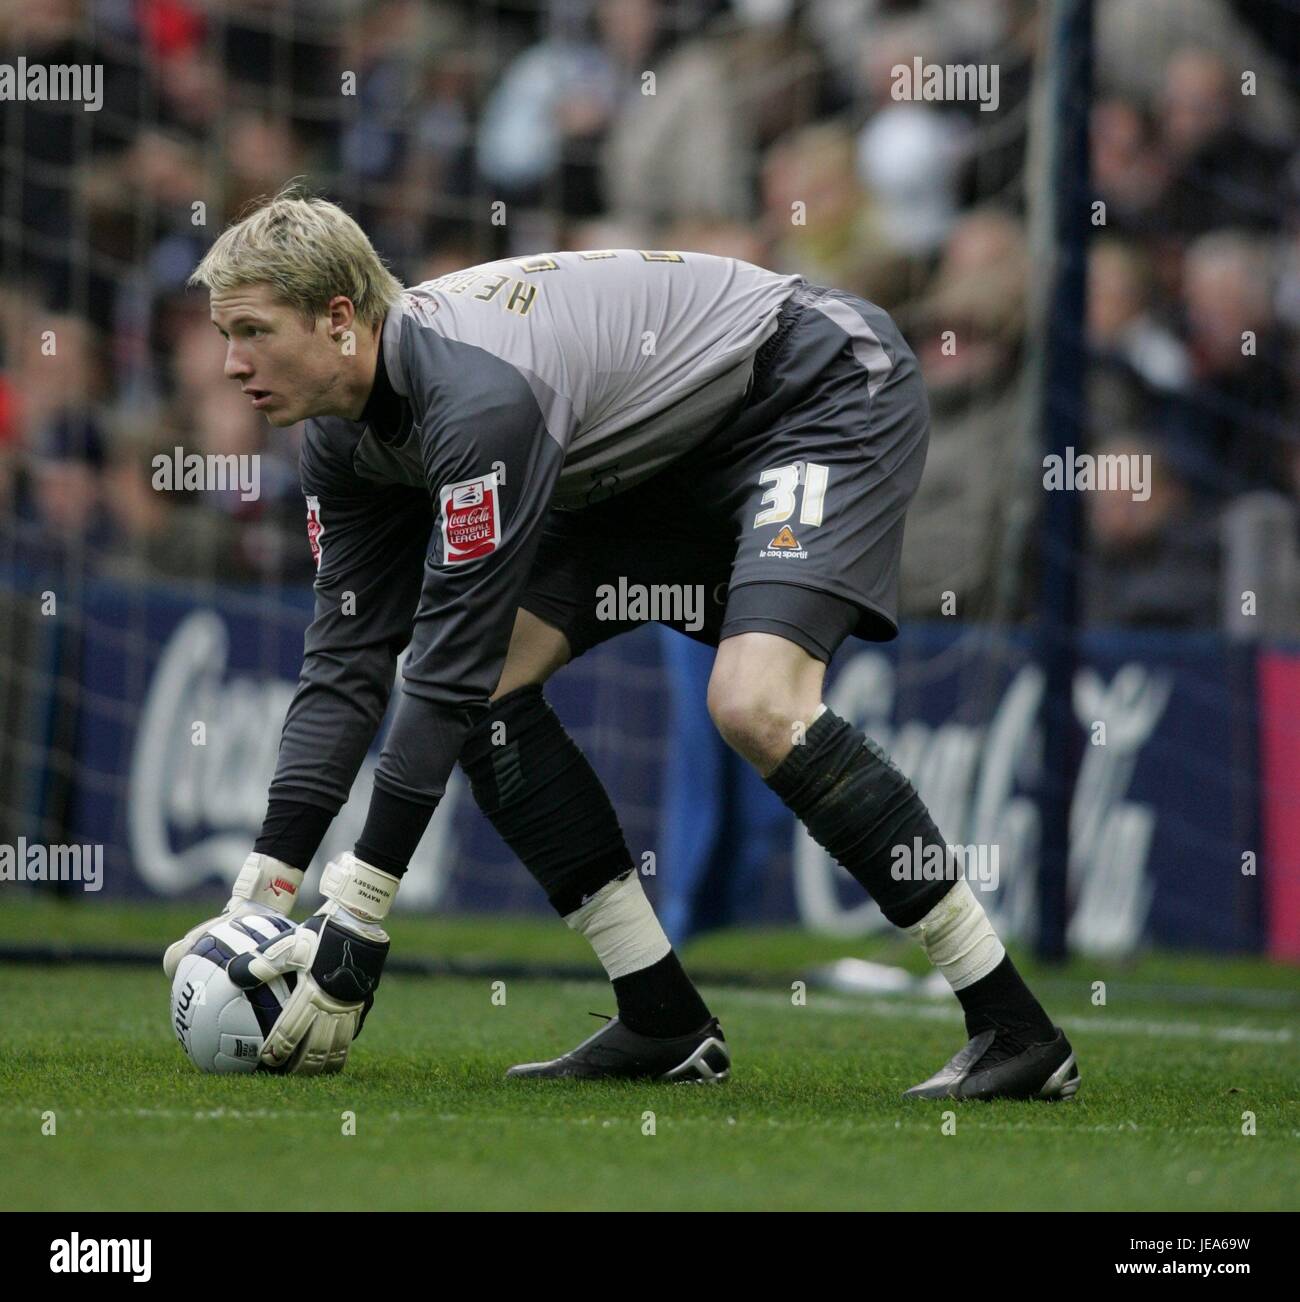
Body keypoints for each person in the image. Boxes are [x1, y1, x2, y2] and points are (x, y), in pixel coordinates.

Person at [166, 186, 1079, 1101]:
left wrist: (358, 916)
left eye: (251, 331)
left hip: (811, 389)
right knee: (488, 693)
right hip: (654, 457)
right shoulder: (337, 440)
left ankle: (1013, 1025)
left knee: (757, 703)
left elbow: (443, 660)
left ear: (337, 319)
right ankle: (661, 1015)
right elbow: (345, 664)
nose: (230, 363)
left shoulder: (478, 401)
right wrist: (260, 898)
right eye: (223, 336)